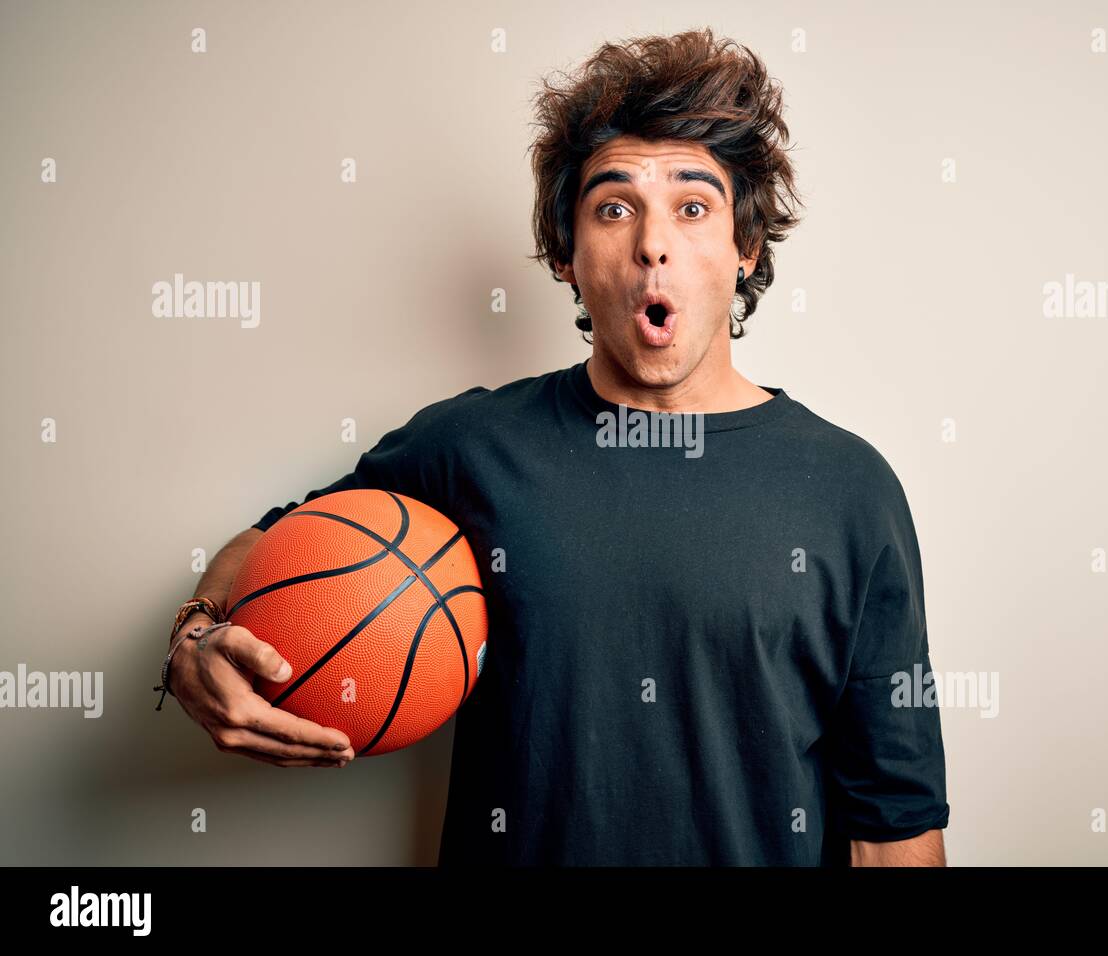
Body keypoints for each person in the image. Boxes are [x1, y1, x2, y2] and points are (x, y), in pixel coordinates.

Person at [158, 28, 950, 866]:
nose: (653, 242)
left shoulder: (847, 487)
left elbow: (894, 823)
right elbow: (275, 543)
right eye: (614, 207)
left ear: (743, 249)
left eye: (693, 206)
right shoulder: (472, 447)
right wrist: (195, 638)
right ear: (568, 256)